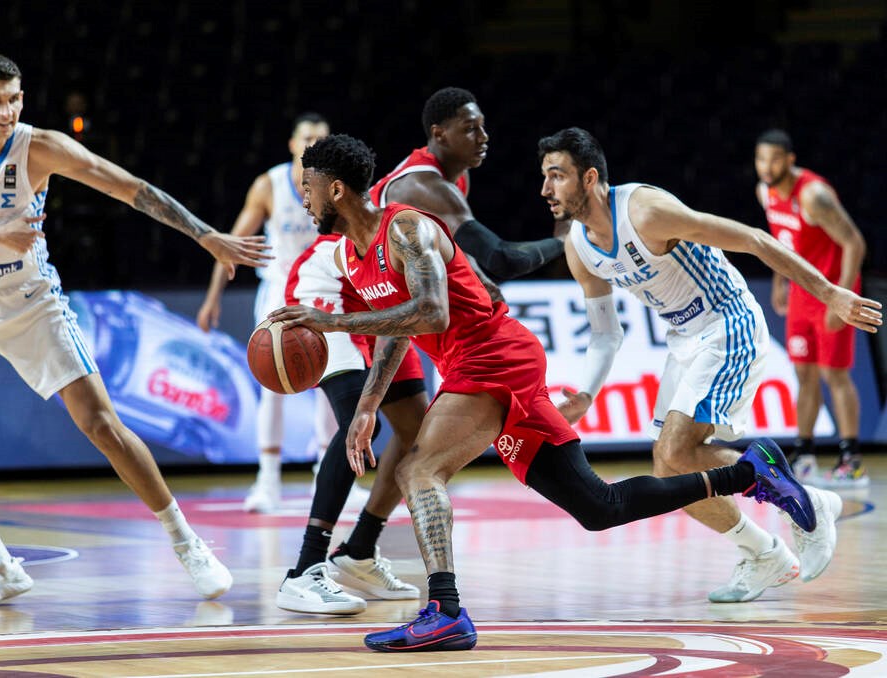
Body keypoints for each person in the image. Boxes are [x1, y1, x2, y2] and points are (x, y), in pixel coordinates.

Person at [269, 133, 828, 652]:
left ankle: (445, 609)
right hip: (487, 363)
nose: (304, 198)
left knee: (419, 470)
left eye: (308, 187)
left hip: (491, 357)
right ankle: (751, 471)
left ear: (335, 189)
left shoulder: (405, 229)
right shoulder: (350, 254)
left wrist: (330, 322)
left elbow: (431, 311)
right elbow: (403, 328)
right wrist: (368, 405)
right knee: (598, 507)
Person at [0, 54, 271, 608]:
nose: (7, 110)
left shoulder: (40, 147)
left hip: (31, 304)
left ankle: (187, 544)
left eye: (15, 99)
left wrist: (206, 235)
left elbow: (129, 187)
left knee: (101, 424)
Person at [540, 127, 879, 603]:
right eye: (544, 177)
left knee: (678, 450)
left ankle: (805, 500)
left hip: (727, 320)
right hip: (684, 340)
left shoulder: (646, 211)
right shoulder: (578, 246)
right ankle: (764, 553)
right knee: (669, 471)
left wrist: (829, 292)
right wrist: (589, 394)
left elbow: (755, 239)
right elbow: (605, 333)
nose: (545, 189)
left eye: (556, 176)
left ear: (589, 177)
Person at [274, 233, 426, 614]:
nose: (306, 201)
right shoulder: (421, 184)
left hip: (380, 298)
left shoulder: (456, 181)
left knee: (418, 432)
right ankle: (305, 569)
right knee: (361, 424)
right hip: (329, 284)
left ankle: (358, 551)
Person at [197, 113, 338, 513]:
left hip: (324, 291)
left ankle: (326, 478)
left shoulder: (336, 186)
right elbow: (232, 243)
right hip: (279, 289)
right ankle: (268, 480)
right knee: (271, 384)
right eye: (307, 137)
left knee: (332, 385)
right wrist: (212, 298)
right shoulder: (270, 184)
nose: (313, 144)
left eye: (321, 138)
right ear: (293, 144)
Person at [754, 129, 869, 488]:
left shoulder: (814, 196)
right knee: (803, 374)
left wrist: (842, 296)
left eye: (774, 159)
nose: (766, 166)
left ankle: (851, 459)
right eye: (760, 159)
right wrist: (779, 281)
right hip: (802, 293)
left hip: (833, 289)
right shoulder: (765, 192)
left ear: (789, 160)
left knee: (834, 375)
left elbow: (854, 243)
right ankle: (804, 454)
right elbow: (778, 241)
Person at [371, 87, 566, 294]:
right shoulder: (426, 187)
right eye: (470, 129)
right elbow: (502, 259)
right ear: (439, 134)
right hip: (348, 276)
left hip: (382, 271)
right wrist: (562, 241)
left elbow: (458, 242)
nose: (483, 137)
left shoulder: (458, 172)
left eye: (482, 126)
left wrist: (480, 279)